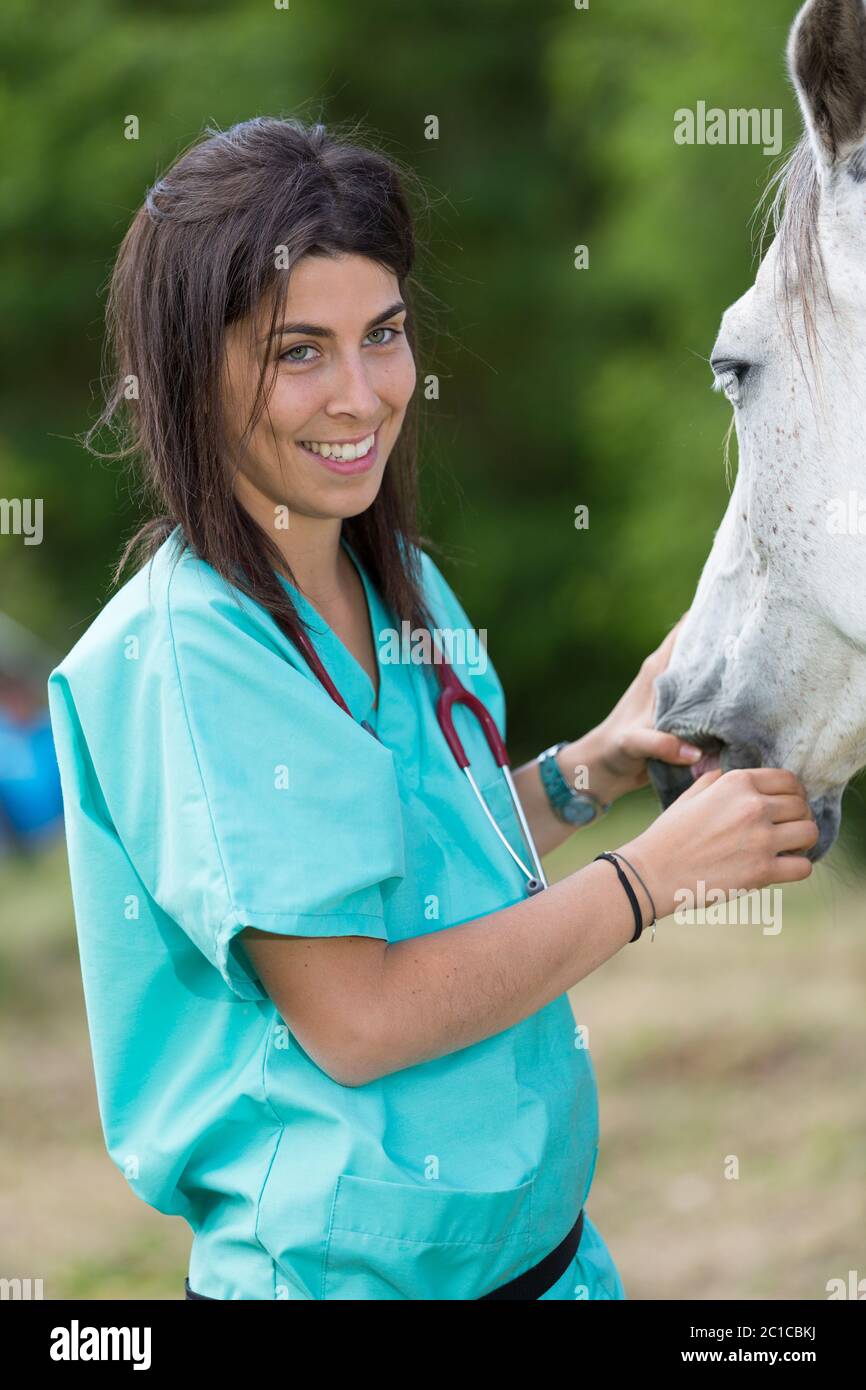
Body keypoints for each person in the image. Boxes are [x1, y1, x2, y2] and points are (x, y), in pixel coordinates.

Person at [47, 116, 819, 1302]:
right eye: (298, 351)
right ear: (189, 363)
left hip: (549, 1261)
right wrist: (648, 877)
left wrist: (585, 770)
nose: (361, 395)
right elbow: (358, 1012)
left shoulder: (384, 572)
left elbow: (404, 872)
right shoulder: (187, 660)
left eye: (384, 335)